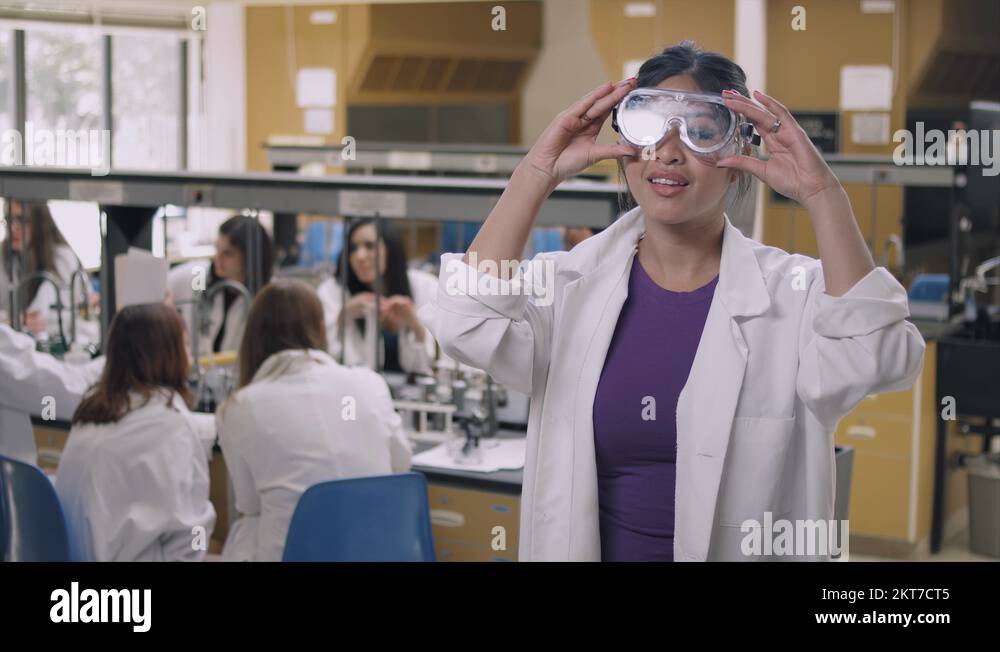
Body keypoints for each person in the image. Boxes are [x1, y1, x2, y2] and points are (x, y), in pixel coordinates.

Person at [418, 41, 925, 561]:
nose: (668, 150)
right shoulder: (569, 284)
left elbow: (875, 358)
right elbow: (467, 322)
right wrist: (537, 171)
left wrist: (822, 194)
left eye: (701, 130)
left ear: (738, 155)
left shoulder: (790, 296)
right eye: (648, 124)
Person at [218, 280, 412, 561]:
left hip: (296, 553)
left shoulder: (238, 409)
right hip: (381, 552)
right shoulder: (369, 383)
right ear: (321, 329)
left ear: (251, 339)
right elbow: (400, 465)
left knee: (246, 532)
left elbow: (249, 504)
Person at [55, 303, 215, 561]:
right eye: (184, 346)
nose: (190, 357)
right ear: (168, 355)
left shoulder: (92, 412)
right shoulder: (169, 422)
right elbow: (191, 536)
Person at [316, 219, 437, 374]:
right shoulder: (331, 292)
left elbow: (431, 365)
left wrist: (414, 324)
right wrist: (343, 317)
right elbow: (329, 362)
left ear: (390, 248)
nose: (359, 256)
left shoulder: (424, 287)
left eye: (369, 246)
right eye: (353, 248)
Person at [169, 214, 275, 356]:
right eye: (217, 249)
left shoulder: (266, 295)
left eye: (228, 253)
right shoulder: (199, 275)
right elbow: (163, 287)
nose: (217, 258)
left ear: (250, 257)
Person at [0, 201, 83, 337]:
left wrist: (16, 322)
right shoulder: (4, 256)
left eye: (21, 219)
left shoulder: (61, 258)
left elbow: (52, 318)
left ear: (38, 222)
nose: (13, 227)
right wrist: (15, 322)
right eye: (8, 219)